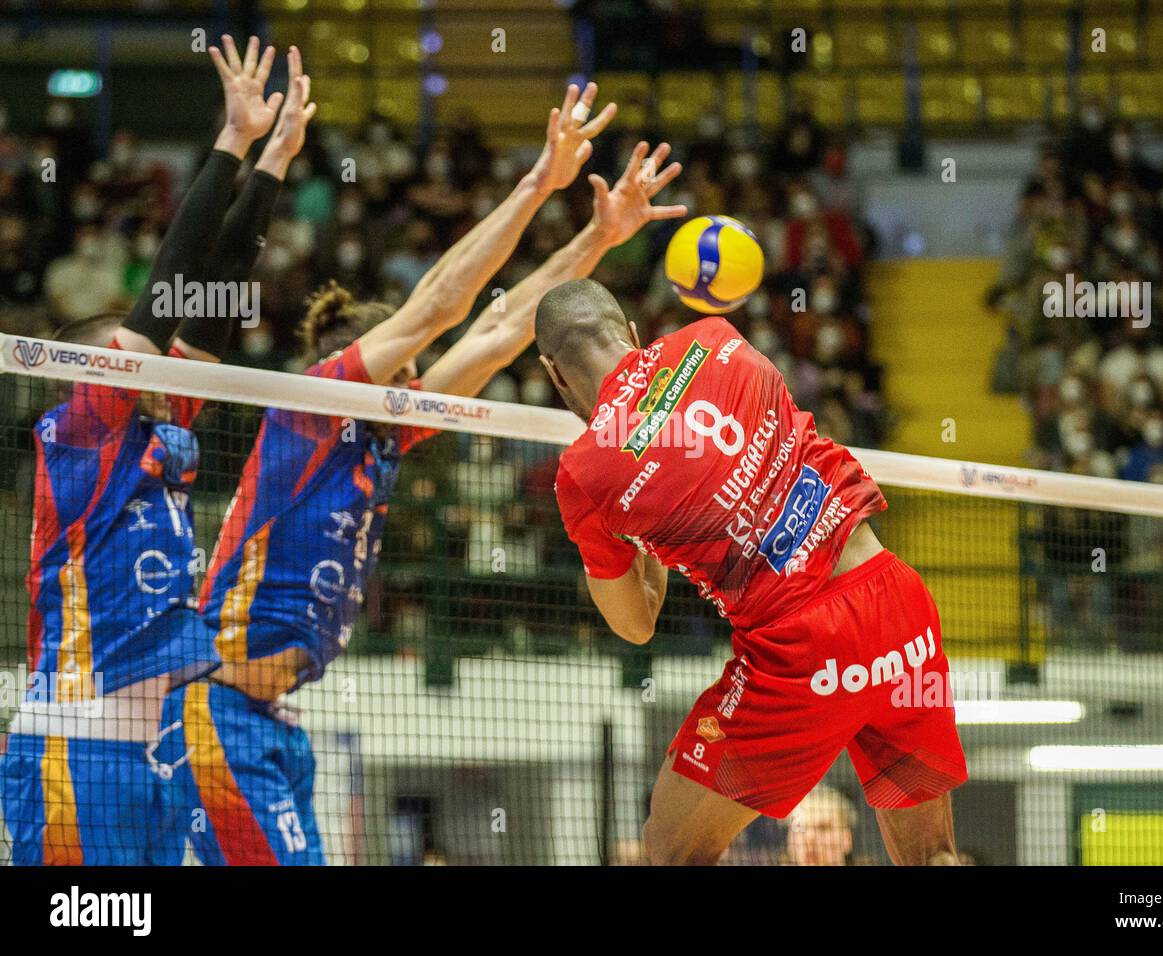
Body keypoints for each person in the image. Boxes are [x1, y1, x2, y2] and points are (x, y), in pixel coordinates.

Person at [155, 86, 687, 864]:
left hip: (268, 719)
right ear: (372, 370)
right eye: (411, 374)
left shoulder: (381, 442)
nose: (427, 387)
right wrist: (540, 180)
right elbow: (443, 304)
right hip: (216, 709)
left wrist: (597, 239)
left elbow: (504, 329)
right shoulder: (313, 409)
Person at [1, 35, 312, 865]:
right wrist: (231, 143)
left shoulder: (161, 413)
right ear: (95, 365)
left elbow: (210, 304)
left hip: (155, 747)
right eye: (134, 344)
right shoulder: (81, 433)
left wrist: (274, 164)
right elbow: (171, 281)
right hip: (75, 744)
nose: (158, 351)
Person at [535, 278, 967, 865]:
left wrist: (640, 538)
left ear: (553, 373)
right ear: (632, 332)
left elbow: (636, 625)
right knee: (934, 855)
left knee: (671, 849)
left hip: (804, 652)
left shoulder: (585, 475)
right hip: (899, 602)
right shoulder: (715, 336)